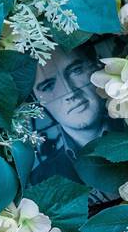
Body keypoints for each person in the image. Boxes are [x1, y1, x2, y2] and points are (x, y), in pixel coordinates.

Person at [31, 42, 109, 185]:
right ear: (36, 101)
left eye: (76, 70)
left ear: (95, 65)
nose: (70, 93)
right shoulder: (42, 181)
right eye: (48, 86)